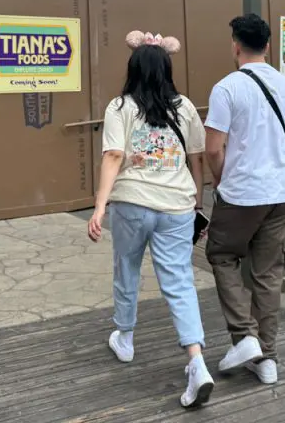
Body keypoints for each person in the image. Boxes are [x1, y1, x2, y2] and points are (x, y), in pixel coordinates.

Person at [86, 30, 214, 409]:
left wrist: (99, 206)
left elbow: (112, 156)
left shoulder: (120, 107)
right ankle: (196, 360)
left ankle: (124, 338)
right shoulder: (185, 107)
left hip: (131, 203)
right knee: (179, 281)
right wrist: (197, 200)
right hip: (176, 205)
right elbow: (197, 158)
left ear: (133, 68)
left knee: (126, 266)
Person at [203, 14, 285, 386]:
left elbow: (213, 148)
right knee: (268, 273)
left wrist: (221, 179)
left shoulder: (226, 88)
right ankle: (267, 358)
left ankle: (245, 336)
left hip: (240, 194)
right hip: (279, 194)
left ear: (235, 44)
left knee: (222, 255)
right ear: (268, 45)